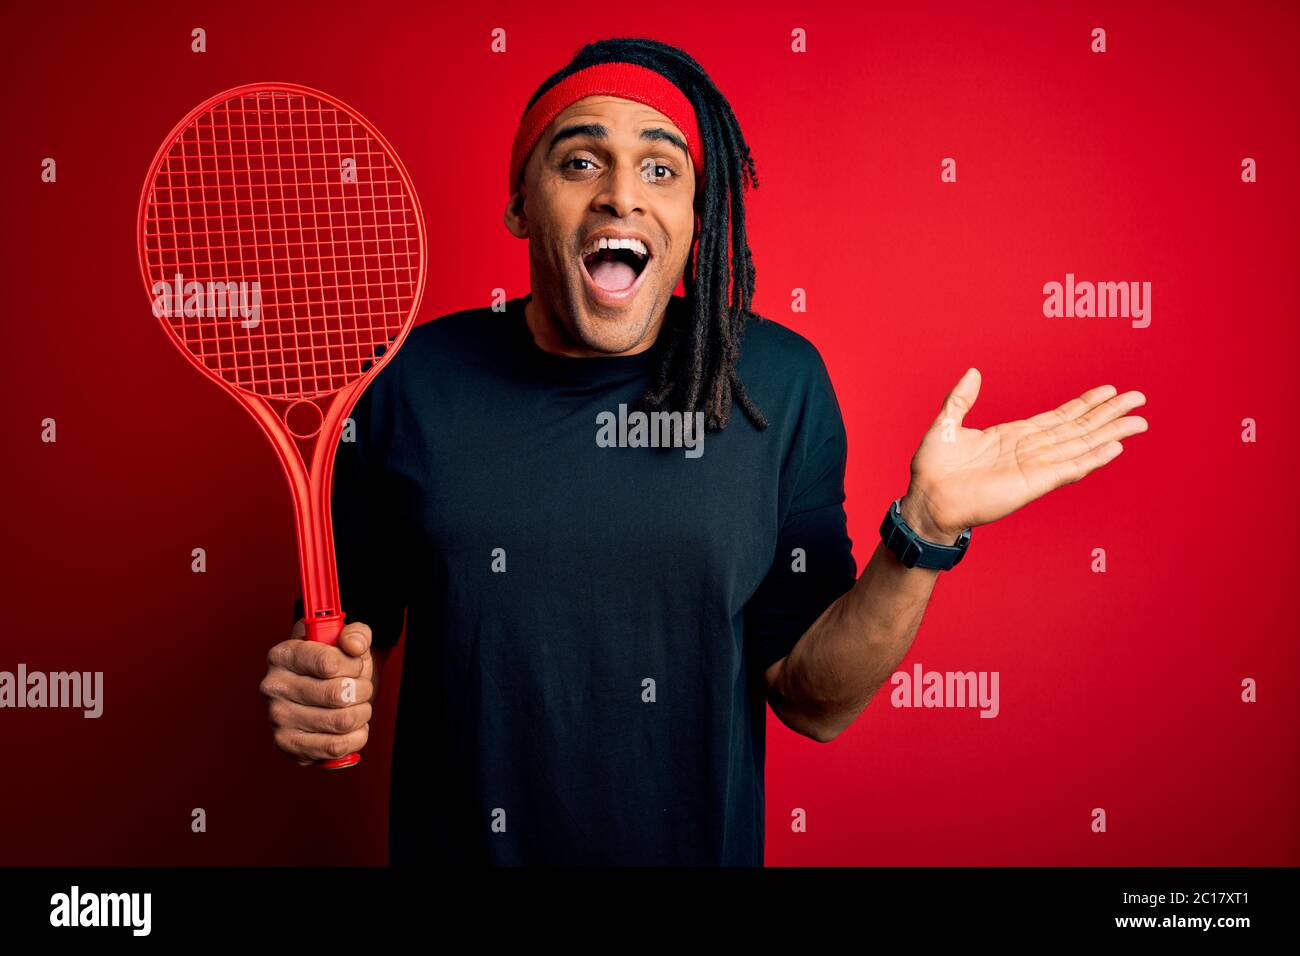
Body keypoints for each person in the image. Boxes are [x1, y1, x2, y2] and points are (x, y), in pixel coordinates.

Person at [259, 37, 1148, 865]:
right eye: (579, 162)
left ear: (696, 211)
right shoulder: (408, 384)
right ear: (521, 203)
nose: (620, 194)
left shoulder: (776, 383)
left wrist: (921, 535)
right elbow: (347, 641)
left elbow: (813, 700)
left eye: (660, 166)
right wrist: (319, 692)